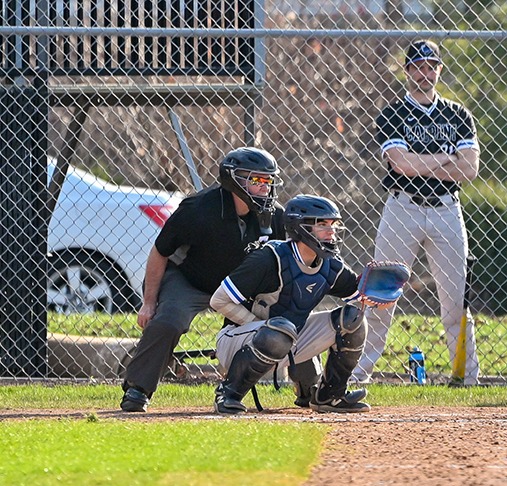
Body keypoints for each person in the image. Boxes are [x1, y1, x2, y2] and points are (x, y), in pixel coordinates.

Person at [353, 39, 482, 386]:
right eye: (418, 66)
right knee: (381, 295)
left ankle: (465, 376)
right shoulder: (393, 113)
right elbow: (400, 164)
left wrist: (421, 163)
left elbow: (469, 169)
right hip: (402, 208)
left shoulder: (458, 114)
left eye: (431, 66)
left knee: (456, 300)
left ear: (439, 69)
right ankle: (358, 373)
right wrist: (445, 159)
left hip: (446, 210)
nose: (425, 72)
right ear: (408, 70)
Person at [119, 147, 284, 412]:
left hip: (239, 288)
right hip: (191, 280)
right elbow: (161, 252)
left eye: (268, 181)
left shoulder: (275, 216)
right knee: (169, 321)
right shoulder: (198, 208)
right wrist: (149, 302)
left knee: (282, 322)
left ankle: (306, 387)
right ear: (234, 180)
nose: (265, 187)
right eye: (257, 180)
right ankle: (138, 388)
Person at [210, 195, 396, 414]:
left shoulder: (330, 265)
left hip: (286, 338)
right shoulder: (270, 258)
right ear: (301, 227)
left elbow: (359, 299)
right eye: (323, 225)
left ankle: (330, 396)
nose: (331, 232)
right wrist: (263, 326)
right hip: (238, 341)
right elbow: (218, 300)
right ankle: (228, 393)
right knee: (280, 329)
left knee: (352, 319)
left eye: (333, 225)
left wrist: (379, 298)